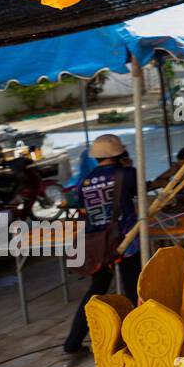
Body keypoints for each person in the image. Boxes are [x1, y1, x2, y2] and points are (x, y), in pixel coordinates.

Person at [63, 134, 141, 354]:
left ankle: (73, 341)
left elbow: (83, 209)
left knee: (96, 290)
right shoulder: (126, 174)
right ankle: (137, 340)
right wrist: (129, 167)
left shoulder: (84, 182)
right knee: (133, 288)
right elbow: (140, 193)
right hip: (125, 241)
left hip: (99, 245)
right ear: (120, 153)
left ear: (96, 158)